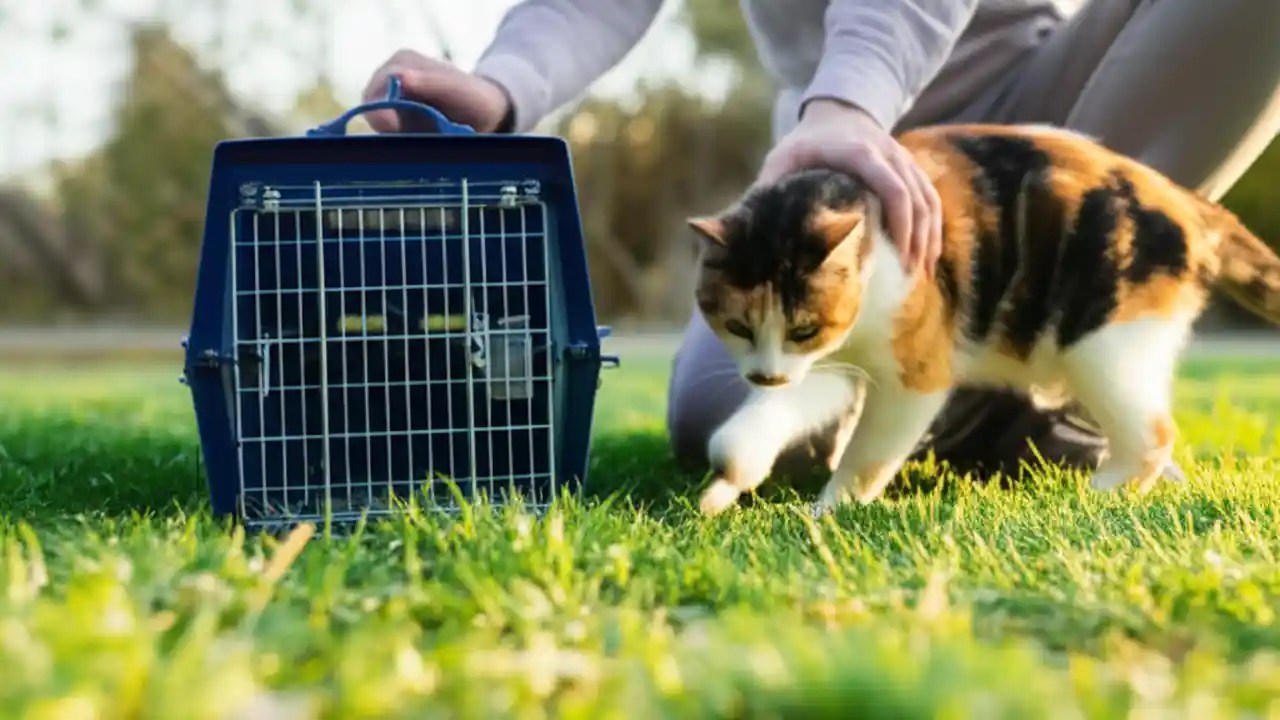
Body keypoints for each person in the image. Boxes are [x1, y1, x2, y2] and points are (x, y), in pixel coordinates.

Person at [363, 0, 1280, 485]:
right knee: (721, 421)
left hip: (1037, 120)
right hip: (831, 178)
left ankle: (1029, 353)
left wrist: (851, 102)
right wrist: (503, 85)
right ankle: (987, 394)